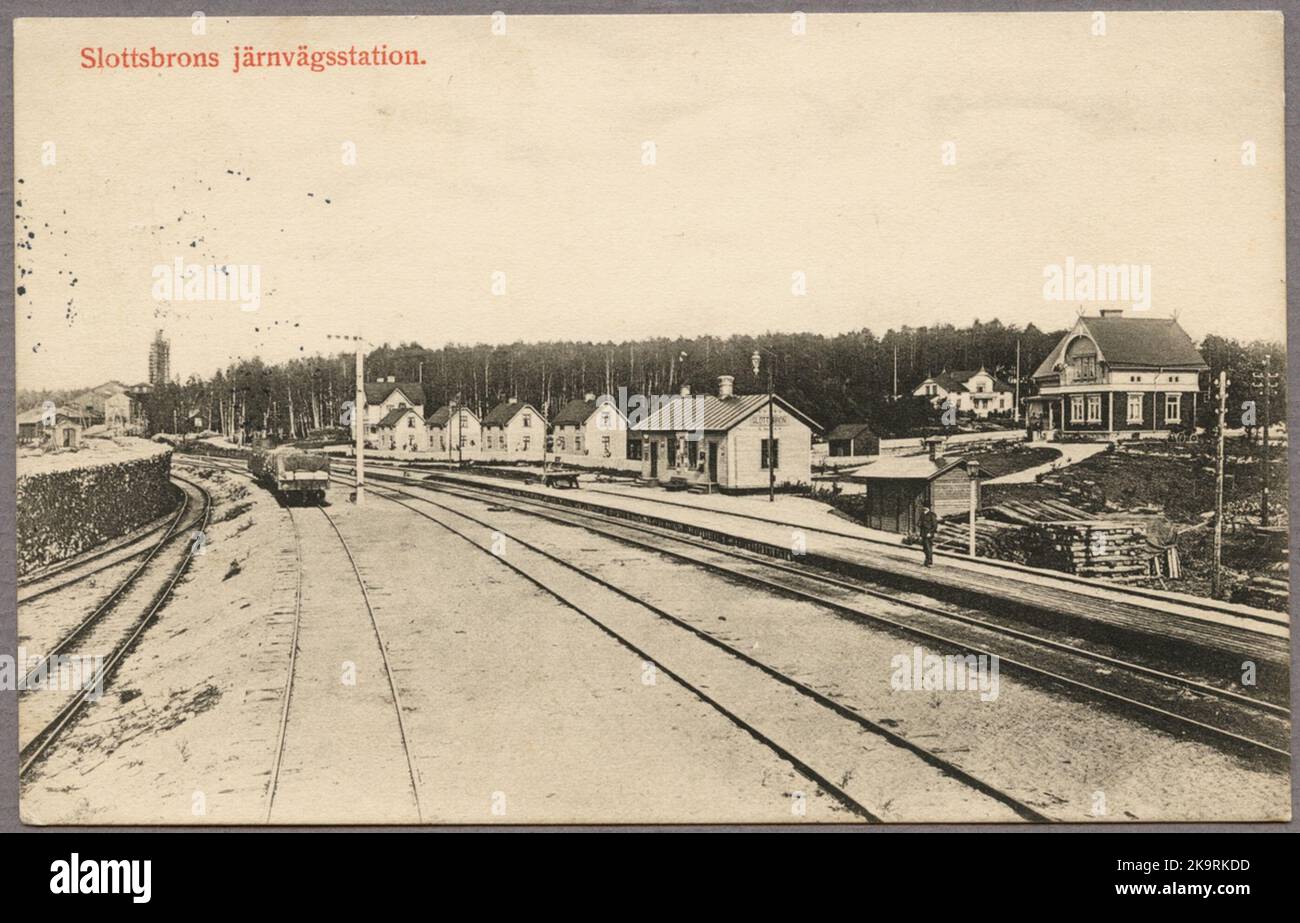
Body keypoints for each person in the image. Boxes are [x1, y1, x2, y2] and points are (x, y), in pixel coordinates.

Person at [919, 502, 939, 567]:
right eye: (923, 507)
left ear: (928, 508)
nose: (924, 508)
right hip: (923, 533)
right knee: (924, 548)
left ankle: (929, 562)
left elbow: (935, 525)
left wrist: (930, 533)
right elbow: (919, 523)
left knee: (928, 548)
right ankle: (926, 560)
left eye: (925, 507)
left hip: (929, 533)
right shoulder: (922, 514)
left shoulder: (932, 515)